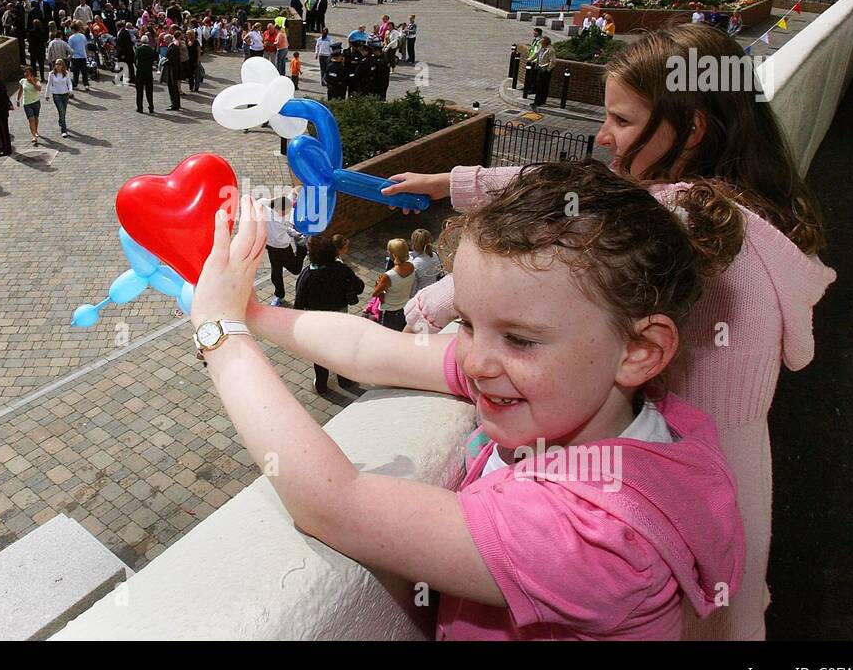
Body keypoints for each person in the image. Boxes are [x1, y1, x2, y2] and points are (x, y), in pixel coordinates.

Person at [383, 24, 834, 641]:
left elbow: (562, 244)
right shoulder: (744, 214)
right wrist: (451, 184)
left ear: (692, 128)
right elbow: (573, 195)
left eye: (621, 119)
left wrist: (442, 299)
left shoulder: (675, 217)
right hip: (734, 474)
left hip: (659, 491)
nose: (602, 135)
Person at [190, 166, 746, 640]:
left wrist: (219, 332)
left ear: (642, 351)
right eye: (470, 324)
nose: (476, 360)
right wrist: (252, 314)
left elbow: (334, 504)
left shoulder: (595, 534)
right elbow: (374, 350)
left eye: (519, 338)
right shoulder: (590, 392)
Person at [293, 233, 364, 394]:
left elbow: (298, 304)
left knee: (320, 352)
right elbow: (359, 287)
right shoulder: (342, 269)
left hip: (318, 321)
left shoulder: (307, 275)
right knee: (340, 348)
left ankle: (321, 385)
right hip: (339, 316)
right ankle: (344, 380)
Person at [262, 193, 304, 307]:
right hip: (271, 248)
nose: (287, 213)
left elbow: (287, 228)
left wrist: (296, 234)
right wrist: (272, 199)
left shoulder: (284, 215)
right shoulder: (267, 213)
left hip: (284, 249)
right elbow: (257, 202)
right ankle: (279, 295)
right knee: (276, 273)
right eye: (285, 211)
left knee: (295, 270)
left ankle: (302, 248)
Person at [372, 238, 416, 331]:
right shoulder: (411, 266)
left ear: (394, 255)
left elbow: (375, 293)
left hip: (389, 311)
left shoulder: (389, 275)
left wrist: (378, 284)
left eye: (389, 251)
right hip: (404, 307)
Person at [408, 228, 443, 295]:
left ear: (414, 242)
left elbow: (413, 287)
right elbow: (438, 273)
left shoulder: (414, 264)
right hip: (432, 290)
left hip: (419, 294)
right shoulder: (434, 255)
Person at [16, 66, 44, 146]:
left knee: (36, 118)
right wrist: (18, 100)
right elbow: (20, 90)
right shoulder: (22, 81)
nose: (26, 74)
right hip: (27, 103)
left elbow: (39, 89)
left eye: (28, 72)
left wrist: (33, 82)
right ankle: (33, 136)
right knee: (31, 119)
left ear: (32, 73)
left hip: (36, 102)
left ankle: (35, 130)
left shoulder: (36, 80)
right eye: (25, 72)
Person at [46, 59, 73, 137]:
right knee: (61, 111)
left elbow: (69, 83)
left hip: (65, 95)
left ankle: (61, 121)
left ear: (62, 66)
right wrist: (47, 94)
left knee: (63, 112)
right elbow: (49, 84)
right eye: (56, 64)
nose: (58, 66)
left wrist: (70, 90)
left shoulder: (66, 73)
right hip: (56, 95)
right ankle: (64, 130)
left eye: (59, 64)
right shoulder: (52, 74)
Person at [530, 36, 555, 109]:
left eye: (542, 41)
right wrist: (530, 59)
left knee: (542, 86)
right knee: (540, 85)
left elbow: (552, 61)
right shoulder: (541, 47)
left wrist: (547, 70)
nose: (540, 42)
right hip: (540, 68)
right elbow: (536, 54)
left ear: (546, 42)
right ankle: (540, 101)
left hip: (545, 69)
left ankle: (538, 102)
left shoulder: (550, 50)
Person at [133, 34, 156, 113]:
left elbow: (135, 60)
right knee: (149, 91)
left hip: (140, 72)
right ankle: (151, 107)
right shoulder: (151, 49)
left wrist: (137, 66)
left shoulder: (138, 49)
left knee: (139, 91)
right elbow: (153, 60)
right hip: (149, 72)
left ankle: (140, 107)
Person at [164, 35, 182, 111]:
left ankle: (174, 104)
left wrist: (165, 61)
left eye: (165, 40)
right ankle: (177, 103)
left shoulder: (172, 47)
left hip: (172, 70)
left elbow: (172, 60)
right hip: (174, 69)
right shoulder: (174, 46)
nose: (164, 41)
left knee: (172, 87)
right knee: (174, 87)